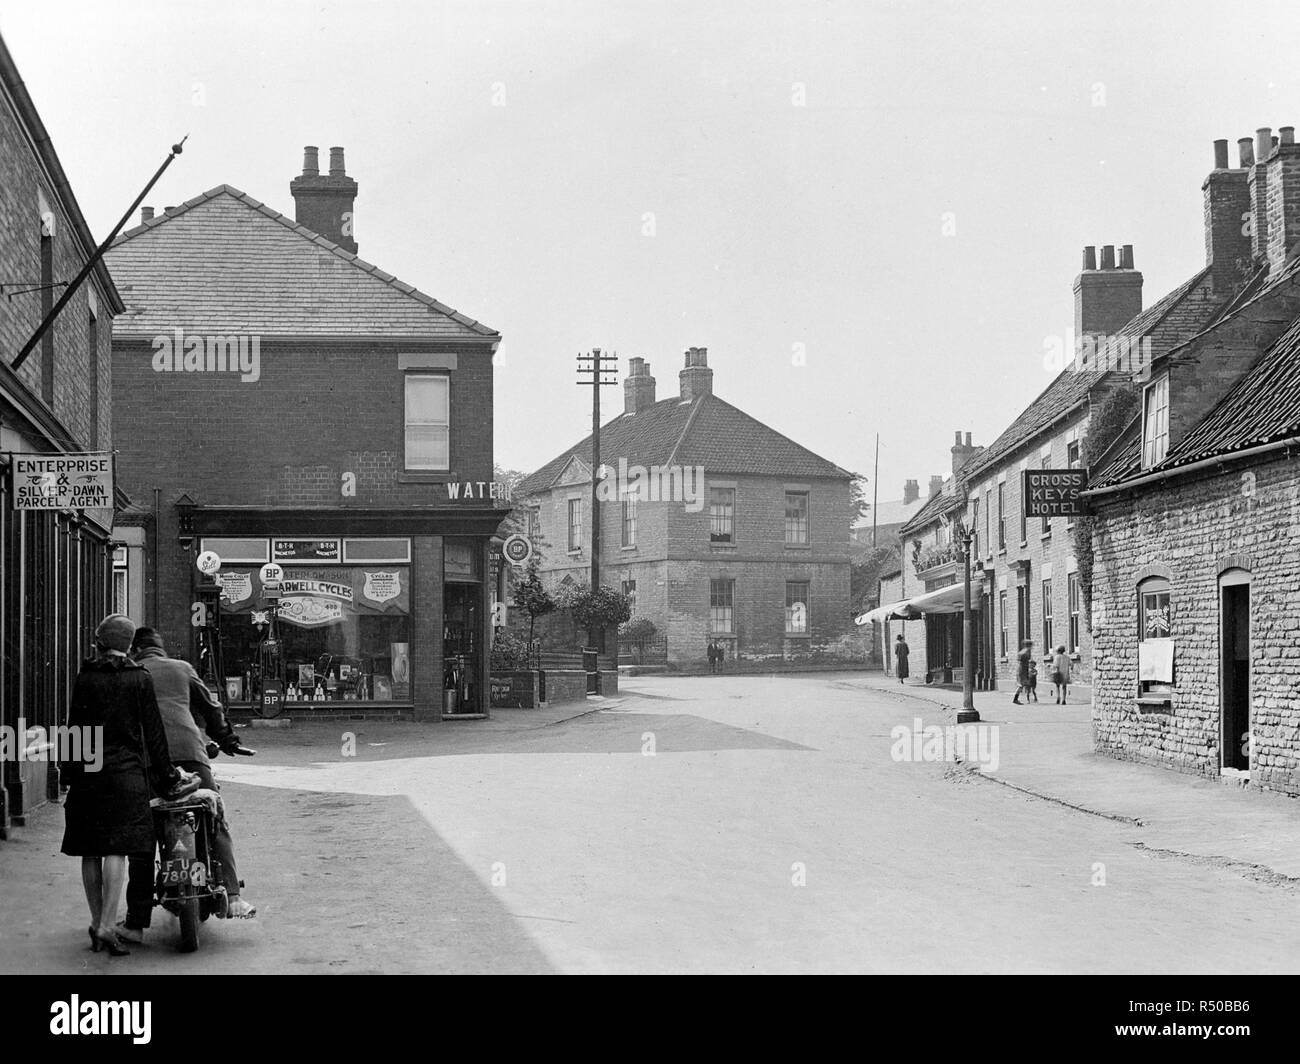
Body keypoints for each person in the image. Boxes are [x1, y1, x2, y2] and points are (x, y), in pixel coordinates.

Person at [61, 614, 198, 957]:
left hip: (89, 773)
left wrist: (68, 774)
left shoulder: (86, 678)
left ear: (100, 642)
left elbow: (74, 727)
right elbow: (153, 735)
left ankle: (97, 924)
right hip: (127, 776)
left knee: (90, 850)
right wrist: (168, 776)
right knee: (116, 849)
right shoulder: (140, 678)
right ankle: (109, 924)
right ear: (128, 646)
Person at [118, 628, 257, 942]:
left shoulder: (131, 672)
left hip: (150, 761)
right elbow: (211, 709)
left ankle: (136, 923)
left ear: (135, 650)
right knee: (214, 816)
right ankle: (233, 896)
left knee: (142, 837)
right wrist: (228, 740)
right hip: (192, 756)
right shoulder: (182, 668)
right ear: (160, 649)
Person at [1012, 639, 1033, 704]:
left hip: (1020, 669)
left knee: (1024, 684)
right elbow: (1026, 661)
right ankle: (1016, 699)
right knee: (1022, 685)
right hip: (1023, 670)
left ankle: (1027, 698)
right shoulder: (1026, 651)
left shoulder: (1022, 651)